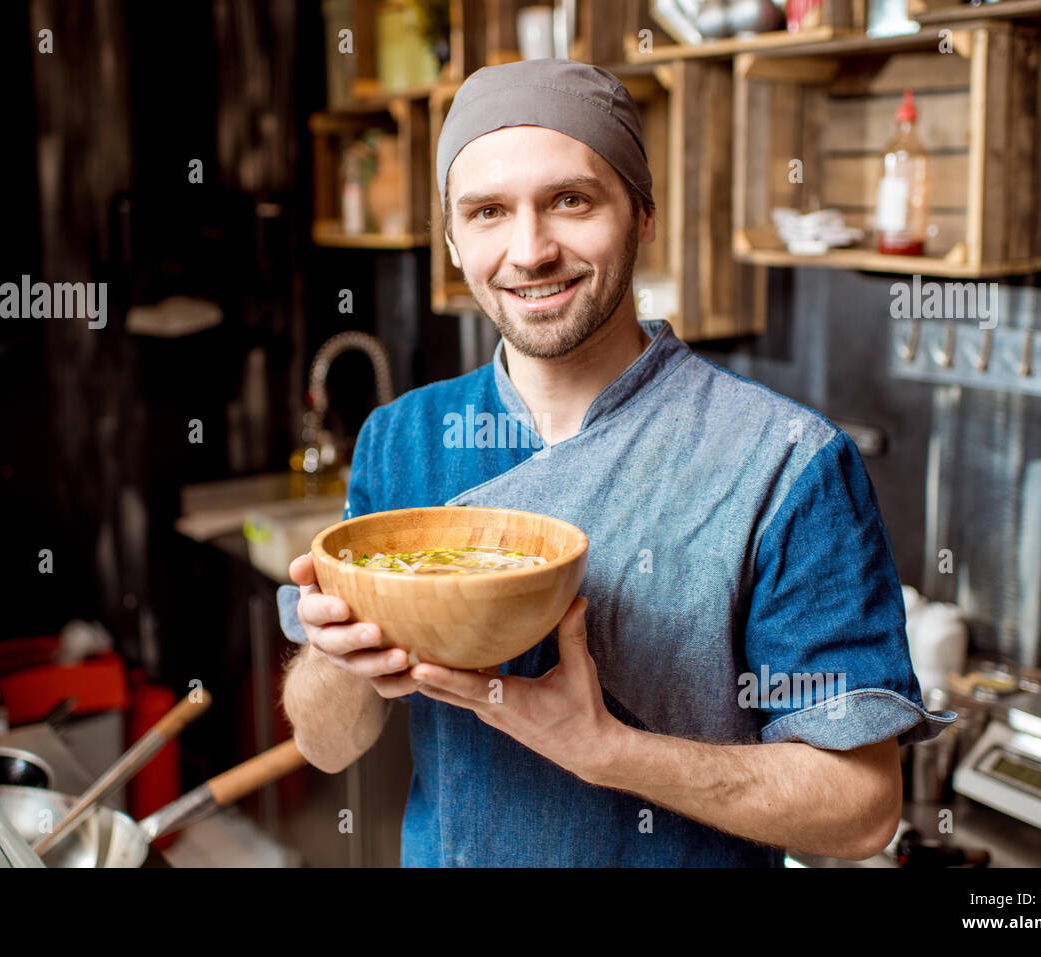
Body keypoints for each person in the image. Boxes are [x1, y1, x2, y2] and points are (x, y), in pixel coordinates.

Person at [279, 59, 954, 867]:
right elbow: (325, 743)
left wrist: (610, 751)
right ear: (455, 240)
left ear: (643, 214)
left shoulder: (781, 464)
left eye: (570, 200)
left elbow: (861, 809)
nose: (529, 251)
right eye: (489, 211)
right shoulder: (404, 438)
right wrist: (334, 656)